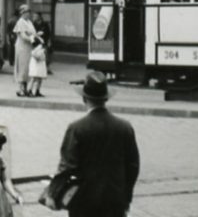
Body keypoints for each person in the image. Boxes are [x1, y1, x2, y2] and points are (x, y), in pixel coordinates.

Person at [55, 71, 140, 217]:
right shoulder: (124, 127)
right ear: (106, 98)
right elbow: (133, 167)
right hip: (115, 201)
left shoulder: (77, 128)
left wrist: (54, 193)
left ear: (84, 98)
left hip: (83, 202)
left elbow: (67, 167)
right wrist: (126, 197)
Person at [11, 5, 35, 97]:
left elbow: (33, 33)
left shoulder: (29, 22)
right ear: (22, 13)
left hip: (29, 47)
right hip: (22, 48)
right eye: (26, 12)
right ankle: (20, 89)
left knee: (28, 68)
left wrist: (36, 36)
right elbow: (23, 36)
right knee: (22, 67)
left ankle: (25, 88)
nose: (28, 14)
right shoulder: (20, 22)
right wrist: (33, 38)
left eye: (29, 12)